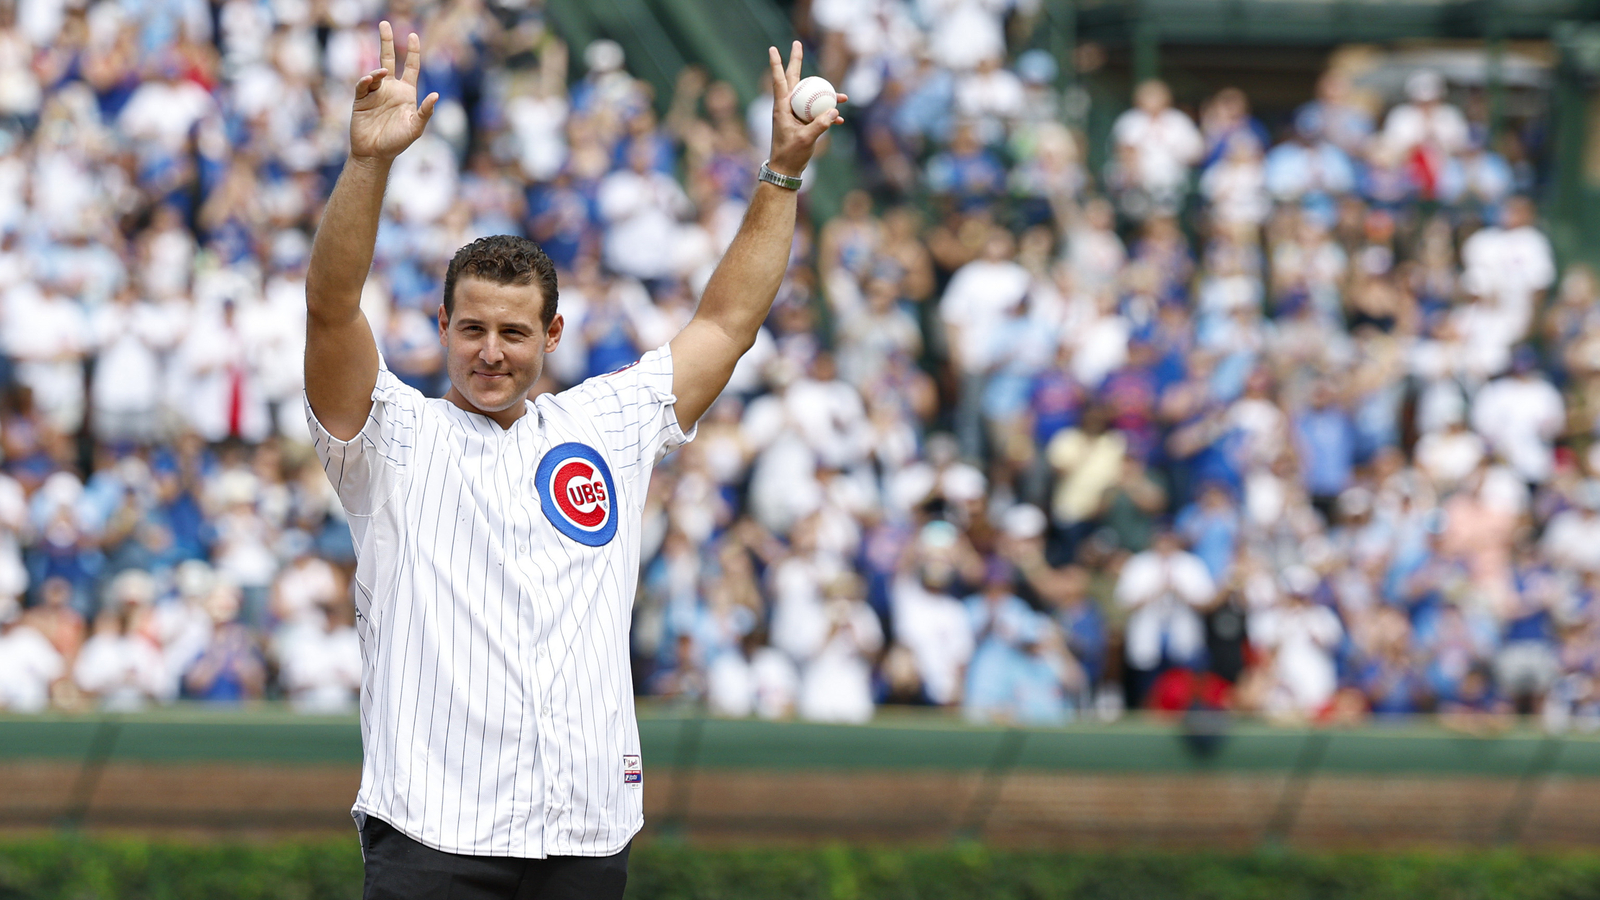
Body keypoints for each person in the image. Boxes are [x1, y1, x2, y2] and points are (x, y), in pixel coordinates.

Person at [301, 23, 843, 900]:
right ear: (442, 328)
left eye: (514, 332)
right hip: (434, 837)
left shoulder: (609, 424)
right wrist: (368, 166)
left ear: (551, 335)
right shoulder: (390, 436)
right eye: (471, 328)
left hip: (586, 832)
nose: (490, 352)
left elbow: (726, 326)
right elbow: (330, 311)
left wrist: (782, 173)